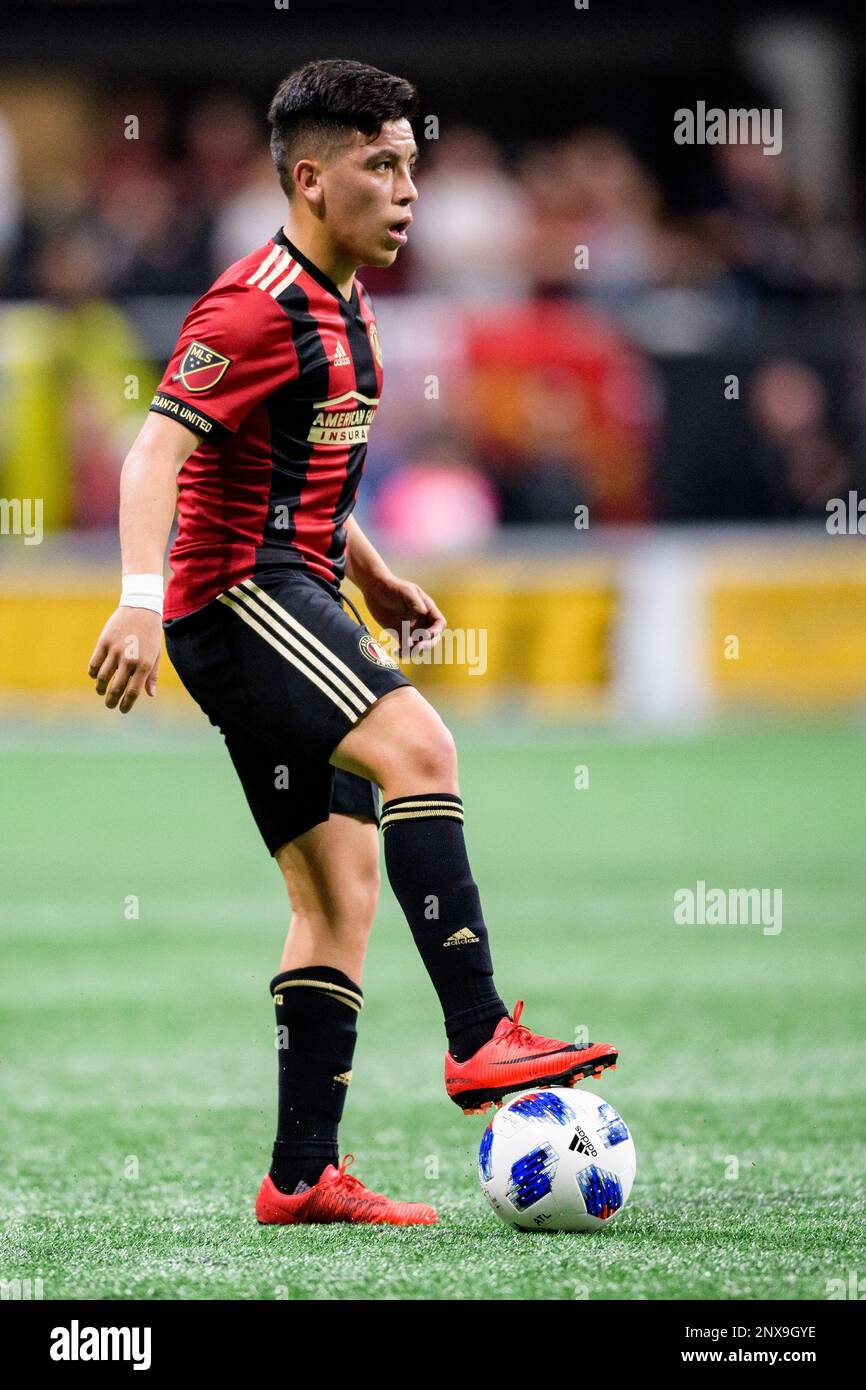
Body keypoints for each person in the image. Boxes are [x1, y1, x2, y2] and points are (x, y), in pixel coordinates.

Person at [87, 59, 619, 1227]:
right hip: (235, 599)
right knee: (421, 747)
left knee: (338, 894)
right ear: (312, 178)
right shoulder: (252, 304)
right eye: (382, 166)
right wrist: (132, 597)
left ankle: (299, 1174)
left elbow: (298, 471)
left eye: (413, 166)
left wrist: (371, 571)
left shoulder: (347, 299)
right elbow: (153, 456)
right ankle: (480, 1037)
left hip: (289, 585)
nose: (407, 189)